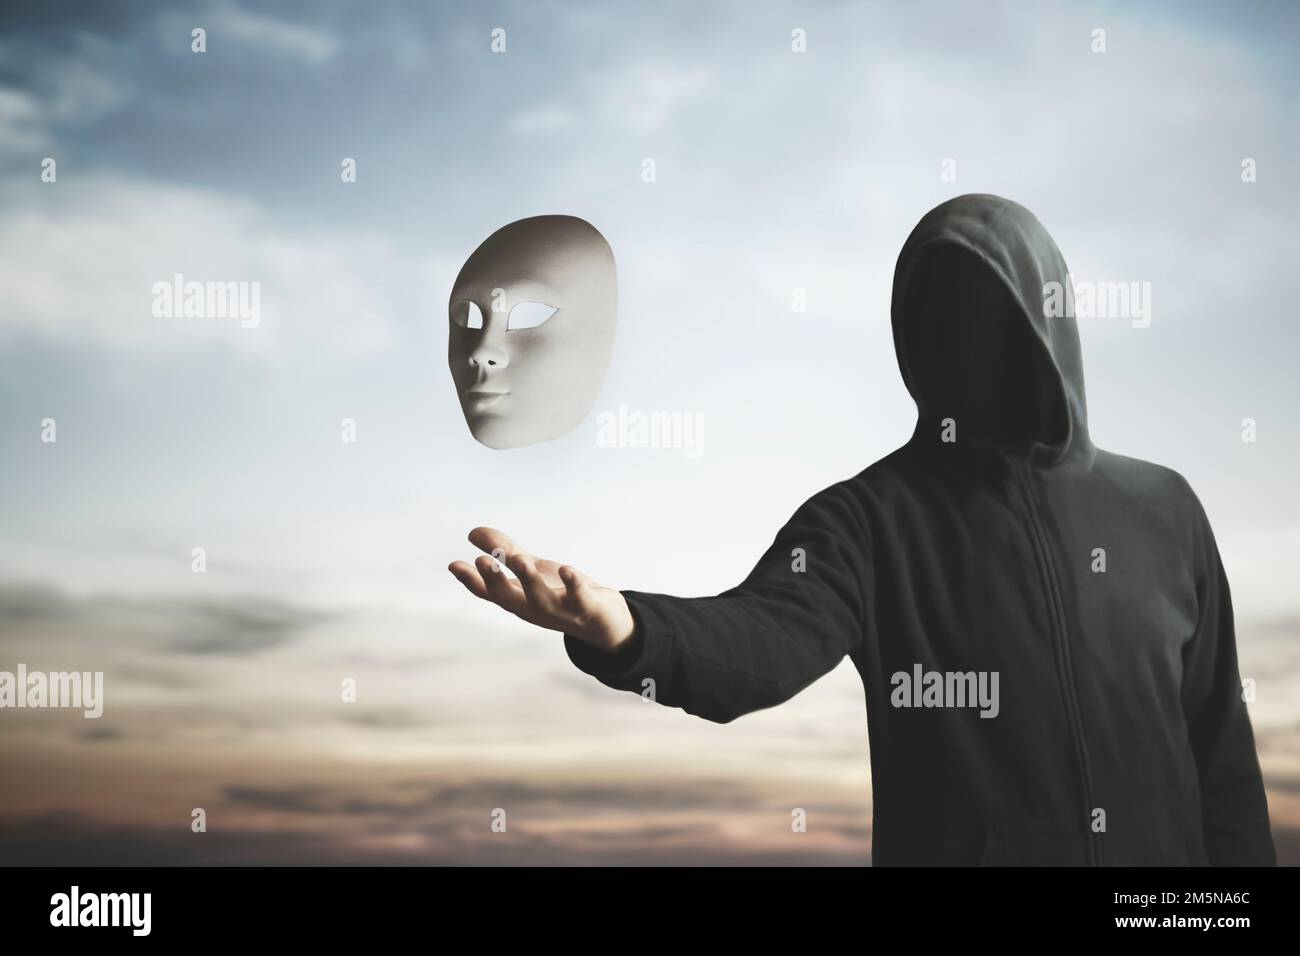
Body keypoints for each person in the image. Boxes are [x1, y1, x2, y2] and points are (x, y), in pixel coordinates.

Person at [448, 194, 1275, 866]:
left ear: (1046, 318)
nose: (975, 339)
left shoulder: (1163, 510)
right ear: (915, 336)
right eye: (947, 314)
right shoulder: (870, 520)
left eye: (998, 309)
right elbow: (759, 643)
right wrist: (627, 627)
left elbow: (1222, 757)